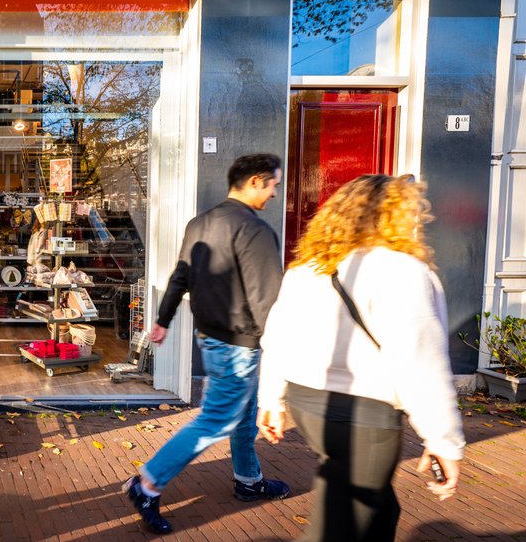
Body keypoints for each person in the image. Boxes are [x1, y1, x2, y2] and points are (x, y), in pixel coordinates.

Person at [257, 174, 464, 541]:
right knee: (345, 523)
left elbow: (277, 338)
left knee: (379, 508)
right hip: (364, 417)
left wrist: (271, 400)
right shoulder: (404, 272)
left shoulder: (307, 269)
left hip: (308, 404)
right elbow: (422, 363)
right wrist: (443, 439)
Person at [123, 153, 290, 534]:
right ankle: (147, 484)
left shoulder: (200, 223)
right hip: (239, 345)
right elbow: (269, 303)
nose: (274, 193)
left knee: (241, 412)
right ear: (254, 182)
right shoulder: (256, 231)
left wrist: (163, 320)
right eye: (273, 184)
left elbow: (180, 275)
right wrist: (283, 356)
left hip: (211, 339)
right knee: (216, 420)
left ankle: (248, 480)